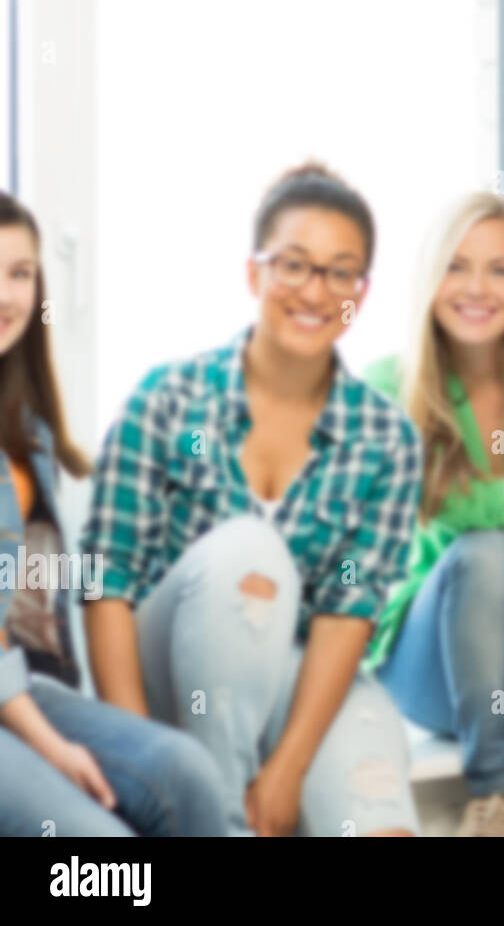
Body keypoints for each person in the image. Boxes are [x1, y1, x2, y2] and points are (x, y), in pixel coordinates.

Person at [79, 165, 425, 837]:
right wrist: (145, 761)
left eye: (339, 272)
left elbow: (347, 612)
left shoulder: (386, 439)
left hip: (298, 682)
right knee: (250, 553)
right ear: (254, 273)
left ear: (361, 291)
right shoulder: (169, 398)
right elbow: (107, 583)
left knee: (381, 817)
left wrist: (290, 766)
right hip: (165, 680)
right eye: (293, 264)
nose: (314, 291)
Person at [0, 192, 228, 836]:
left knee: (187, 775)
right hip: (12, 700)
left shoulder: (29, 434)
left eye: (19, 273)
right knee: (103, 848)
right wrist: (51, 748)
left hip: (27, 691)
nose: (7, 295)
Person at [363, 192, 504, 837]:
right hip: (426, 659)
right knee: (487, 556)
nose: (478, 287)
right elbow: (432, 496)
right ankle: (497, 796)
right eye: (458, 266)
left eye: (500, 269)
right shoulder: (389, 386)